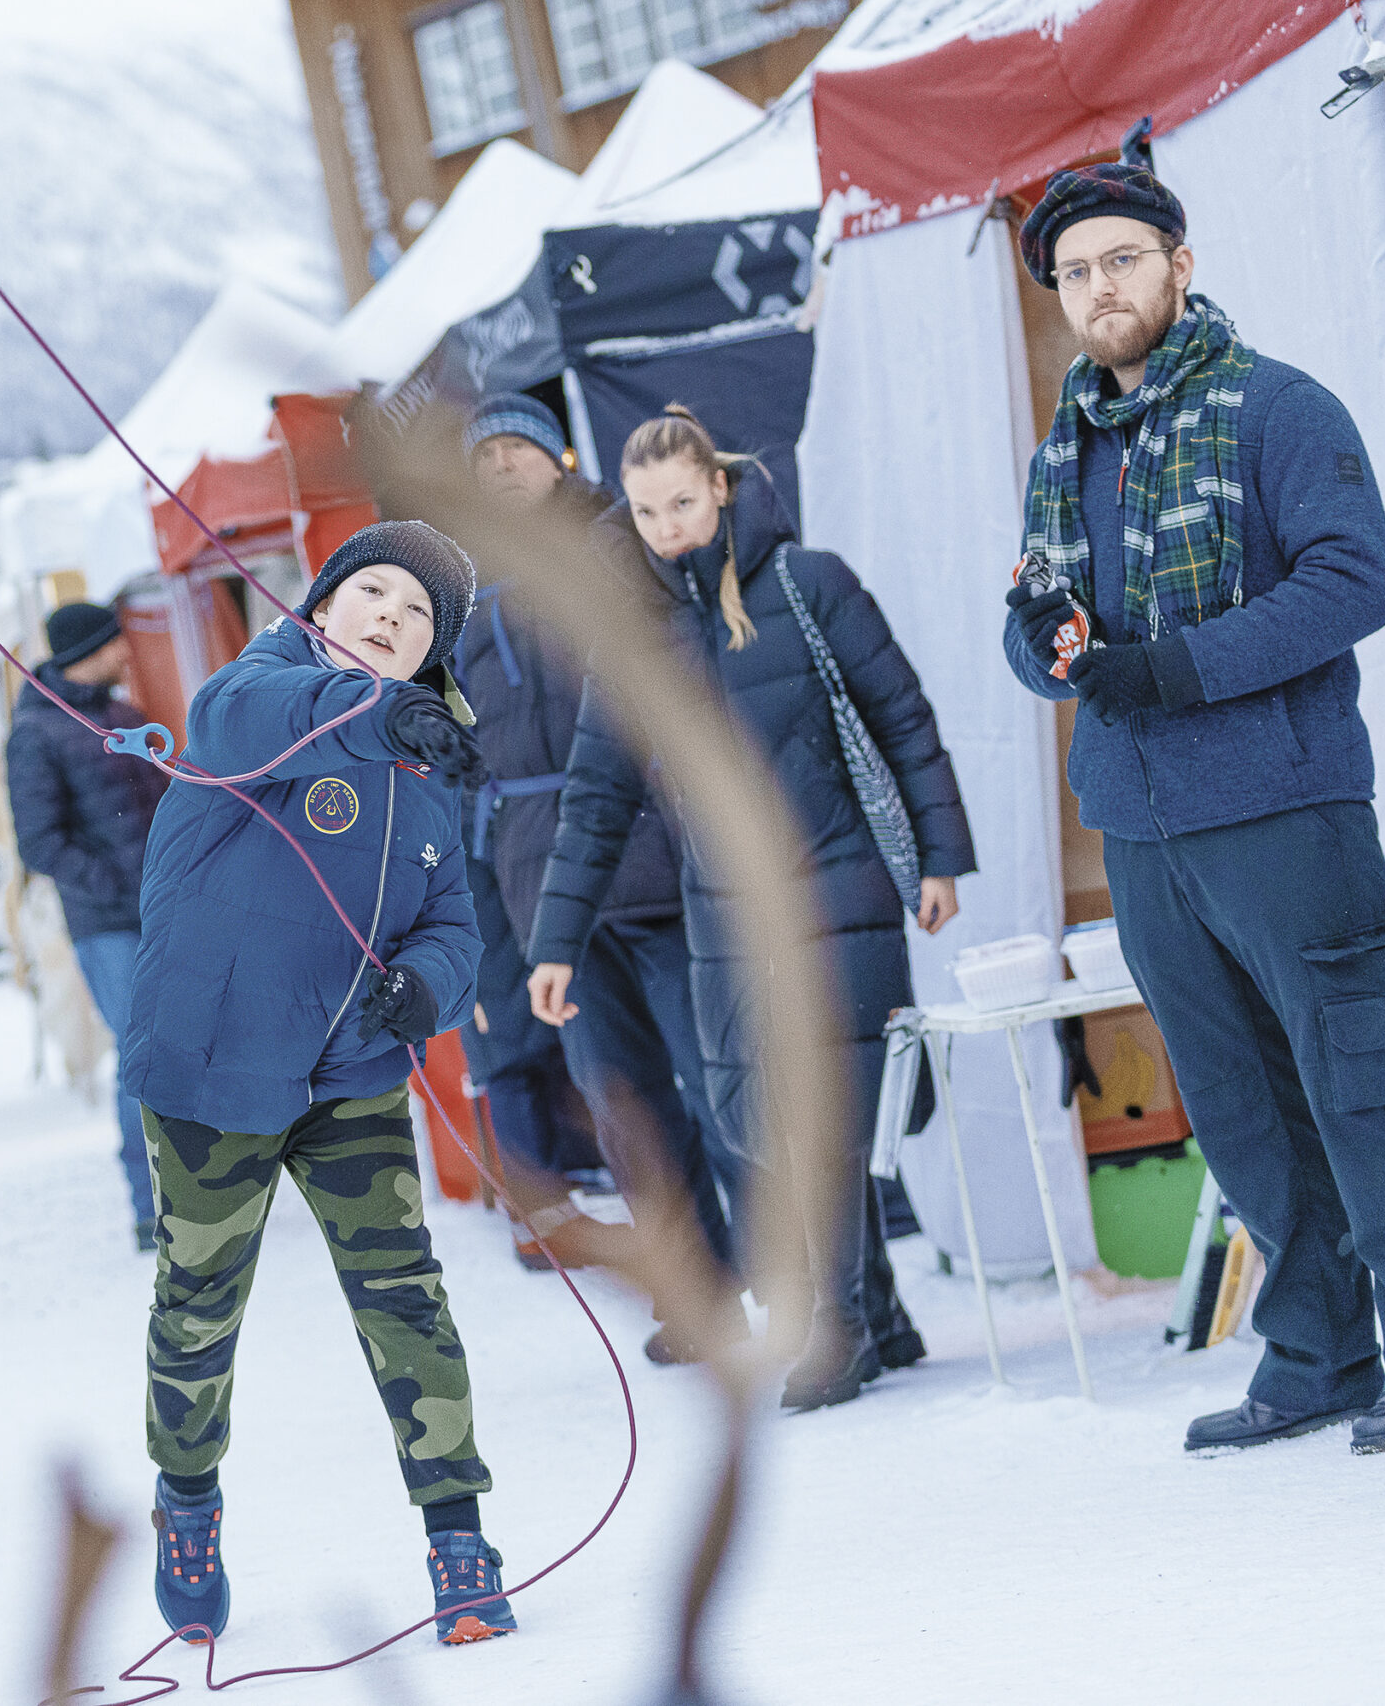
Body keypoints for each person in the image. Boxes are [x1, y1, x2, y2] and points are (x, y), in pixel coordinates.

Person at [1004, 164, 1385, 1457]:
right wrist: (1042, 642)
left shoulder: (1277, 408)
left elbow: (1356, 580)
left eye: (1121, 260)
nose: (1099, 288)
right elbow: (1034, 641)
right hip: (1140, 827)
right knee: (1238, 1104)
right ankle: (1319, 1352)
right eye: (1076, 273)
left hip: (1286, 811)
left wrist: (1179, 666)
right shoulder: (1064, 446)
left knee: (1365, 1076)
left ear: (1178, 264)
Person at [527, 407, 974, 1411]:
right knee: (770, 1117)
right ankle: (884, 1314)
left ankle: (839, 1325)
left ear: (719, 487)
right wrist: (556, 941)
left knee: (828, 1109)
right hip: (723, 915)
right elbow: (596, 796)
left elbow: (902, 717)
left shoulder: (810, 584)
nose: (666, 525)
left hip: (838, 886)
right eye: (645, 512)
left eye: (681, 502)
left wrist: (940, 856)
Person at [127, 521, 516, 1648]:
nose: (389, 616)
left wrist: (427, 987)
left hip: (348, 1071)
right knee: (199, 1307)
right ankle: (187, 1503)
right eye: (374, 592)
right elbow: (233, 721)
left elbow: (452, 918)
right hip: (211, 1067)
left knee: (405, 1295)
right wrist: (371, 713)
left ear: (431, 652)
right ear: (326, 602)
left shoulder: (425, 761)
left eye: (417, 616)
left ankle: (458, 1538)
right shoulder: (266, 685)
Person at [453, 396, 735, 1353]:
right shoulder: (455, 581)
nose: (499, 467)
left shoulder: (621, 536)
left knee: (717, 1075)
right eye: (481, 454)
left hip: (650, 849)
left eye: (516, 449)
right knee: (624, 1104)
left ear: (558, 458)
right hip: (542, 884)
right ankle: (693, 1288)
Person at [5, 600, 173, 1251]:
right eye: (115, 643)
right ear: (88, 650)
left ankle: (206, 1191)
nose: (127, 651)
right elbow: (39, 842)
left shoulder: (125, 717)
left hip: (165, 913)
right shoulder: (38, 733)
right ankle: (147, 1203)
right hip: (107, 924)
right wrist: (117, 883)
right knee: (141, 1057)